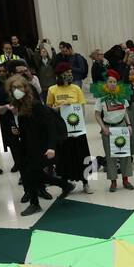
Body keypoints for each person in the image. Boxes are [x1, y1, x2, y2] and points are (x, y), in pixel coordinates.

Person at [3, 76, 66, 216]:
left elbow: (50, 126)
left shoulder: (36, 105)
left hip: (40, 145)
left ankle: (34, 204)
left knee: (30, 174)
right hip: (26, 145)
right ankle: (65, 185)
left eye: (19, 87)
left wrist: (51, 147)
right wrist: (18, 131)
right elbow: (28, 126)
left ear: (26, 88)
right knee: (33, 174)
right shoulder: (18, 104)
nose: (16, 90)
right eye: (13, 88)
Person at [47, 57, 93, 193]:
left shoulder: (76, 89)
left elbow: (82, 108)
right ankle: (65, 184)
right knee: (64, 156)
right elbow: (48, 110)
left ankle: (86, 183)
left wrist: (81, 123)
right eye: (66, 72)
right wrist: (60, 106)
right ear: (60, 75)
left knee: (83, 155)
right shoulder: (52, 90)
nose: (69, 74)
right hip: (61, 130)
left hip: (77, 129)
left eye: (70, 72)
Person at [92, 70, 134, 193]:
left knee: (125, 155)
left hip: (122, 127)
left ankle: (126, 180)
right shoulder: (101, 98)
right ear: (106, 84)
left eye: (114, 82)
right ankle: (113, 182)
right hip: (108, 128)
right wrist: (103, 128)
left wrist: (129, 125)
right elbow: (96, 115)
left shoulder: (121, 96)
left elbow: (125, 112)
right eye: (110, 82)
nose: (112, 84)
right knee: (111, 156)